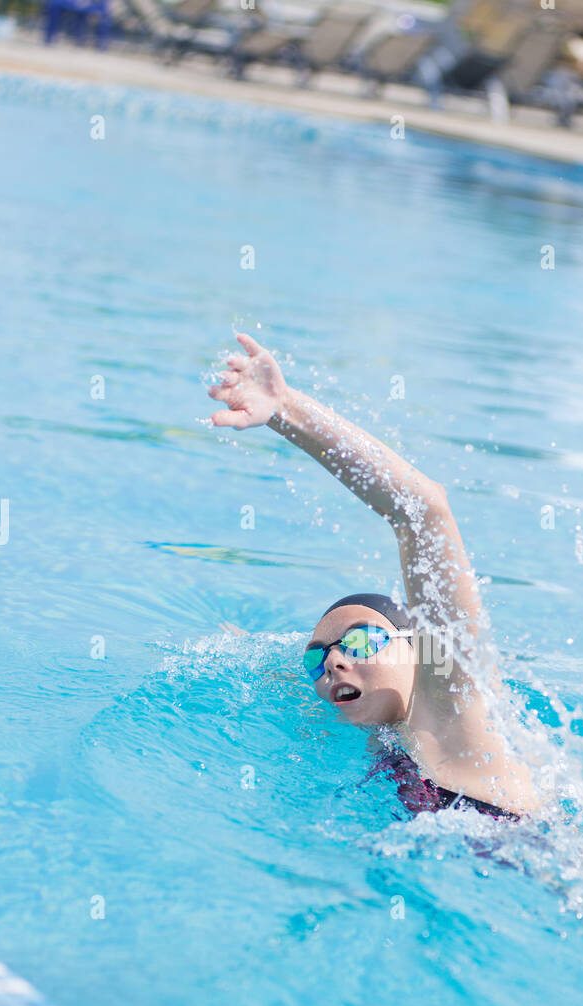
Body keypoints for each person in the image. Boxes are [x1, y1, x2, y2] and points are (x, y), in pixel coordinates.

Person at [207, 333, 540, 820]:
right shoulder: (396, 736)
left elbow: (423, 512)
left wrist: (285, 410)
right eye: (319, 659)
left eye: (362, 642)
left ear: (419, 647)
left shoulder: (453, 705)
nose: (336, 663)